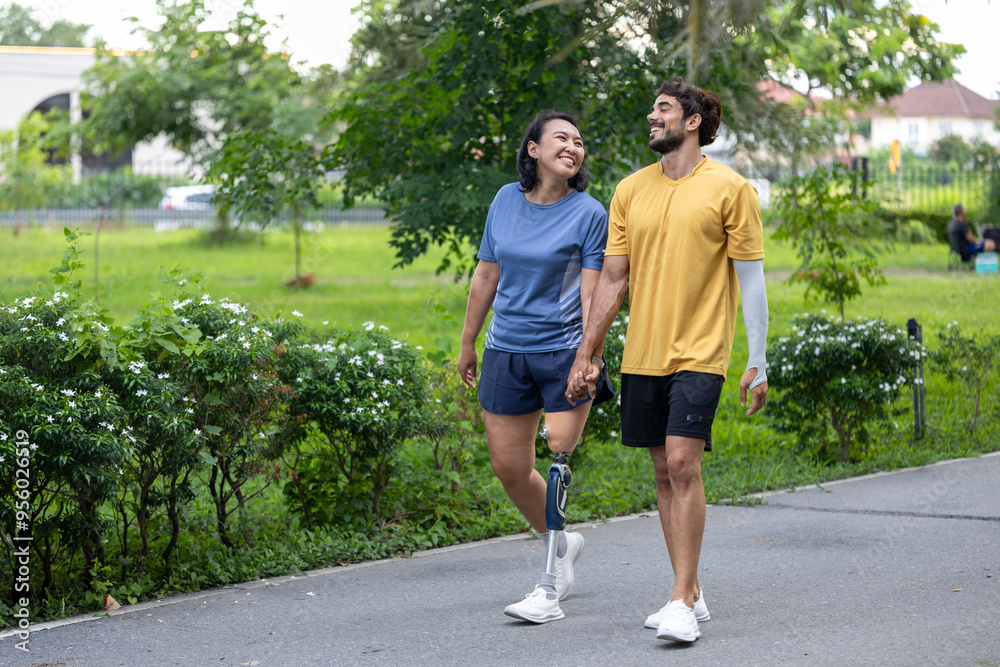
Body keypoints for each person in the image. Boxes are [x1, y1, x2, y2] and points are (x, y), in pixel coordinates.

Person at [565, 78, 769, 644]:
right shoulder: (631, 190)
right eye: (652, 109)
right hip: (644, 353)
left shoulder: (731, 189)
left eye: (663, 109)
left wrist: (761, 359)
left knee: (683, 464)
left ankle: (678, 599)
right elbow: (613, 278)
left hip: (703, 350)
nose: (651, 118)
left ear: (694, 120)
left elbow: (751, 282)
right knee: (661, 469)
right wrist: (589, 353)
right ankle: (694, 590)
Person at [458, 109, 610, 624]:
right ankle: (562, 543)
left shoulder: (590, 212)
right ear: (534, 149)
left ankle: (549, 586)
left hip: (564, 353)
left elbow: (595, 293)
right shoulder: (505, 200)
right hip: (506, 350)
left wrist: (588, 357)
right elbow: (485, 276)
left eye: (579, 141)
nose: (573, 146)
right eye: (561, 138)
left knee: (558, 456)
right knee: (508, 467)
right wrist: (468, 343)